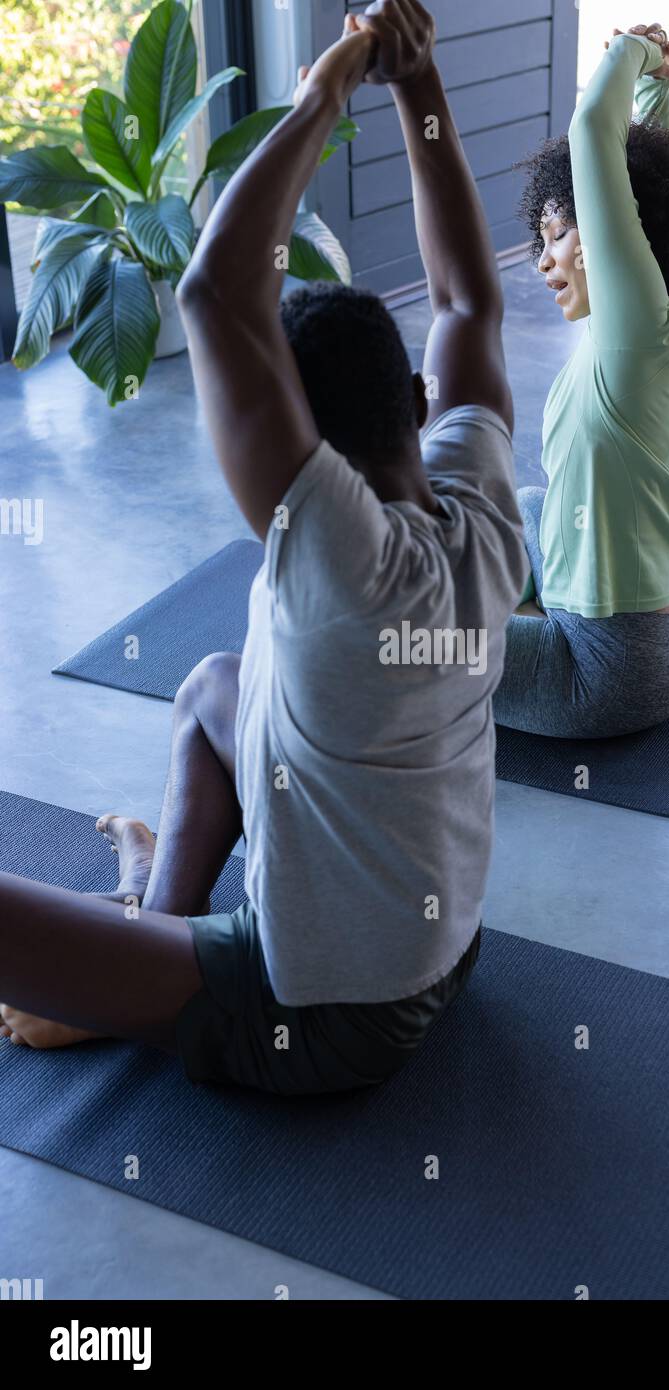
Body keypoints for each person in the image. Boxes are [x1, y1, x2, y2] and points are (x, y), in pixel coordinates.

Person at [0, 0, 526, 1095]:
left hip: (328, 1019)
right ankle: (160, 917)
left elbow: (211, 290)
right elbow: (471, 296)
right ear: (414, 401)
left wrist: (333, 79)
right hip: (448, 946)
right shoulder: (476, 495)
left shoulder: (335, 549)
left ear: (298, 464)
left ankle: (148, 980)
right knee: (210, 687)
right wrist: (417, 86)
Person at [493, 22, 669, 739]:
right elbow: (649, 182)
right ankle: (520, 615)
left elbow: (592, 137)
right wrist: (653, 86)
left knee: (380, 645)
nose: (543, 262)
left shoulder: (630, 336)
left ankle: (519, 623)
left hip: (606, 668)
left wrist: (633, 48)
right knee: (523, 502)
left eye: (556, 237)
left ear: (607, 242)